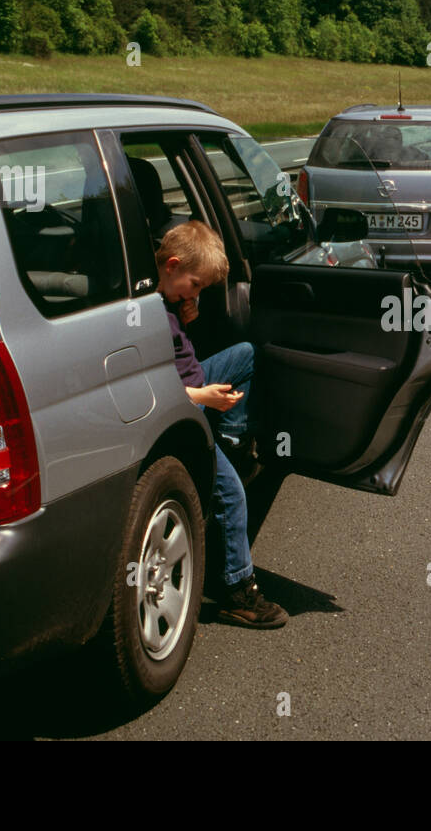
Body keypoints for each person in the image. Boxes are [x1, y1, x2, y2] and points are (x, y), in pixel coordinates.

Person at [157, 220, 289, 628]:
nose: (195, 294)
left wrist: (185, 316)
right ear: (173, 264)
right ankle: (237, 590)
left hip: (195, 388)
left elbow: (180, 359)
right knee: (231, 495)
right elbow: (155, 391)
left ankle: (228, 440)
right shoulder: (145, 314)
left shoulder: (167, 303)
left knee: (246, 353)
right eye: (194, 285)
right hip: (180, 405)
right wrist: (202, 398)